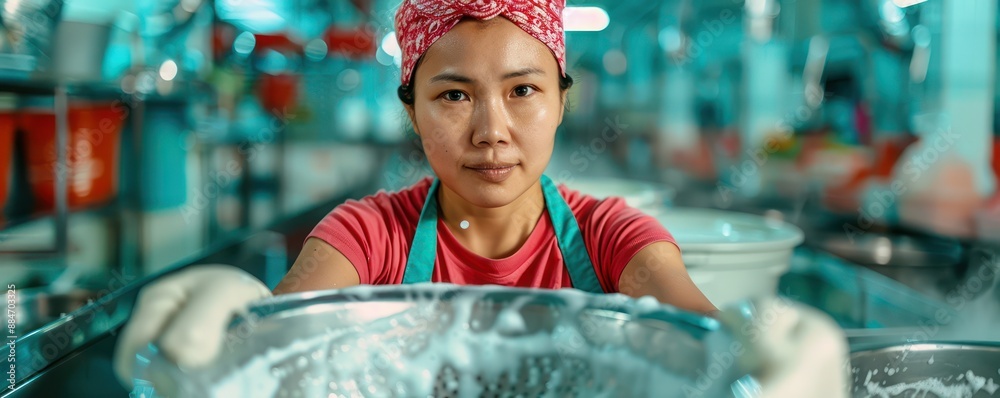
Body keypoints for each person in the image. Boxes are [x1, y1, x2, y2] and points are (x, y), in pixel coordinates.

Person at [114, 1, 848, 396]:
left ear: (562, 103)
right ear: (412, 113)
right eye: (454, 95)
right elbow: (284, 344)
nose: (491, 131)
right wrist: (241, 328)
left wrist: (760, 359)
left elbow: (705, 344)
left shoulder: (610, 235)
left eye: (523, 91)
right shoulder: (369, 232)